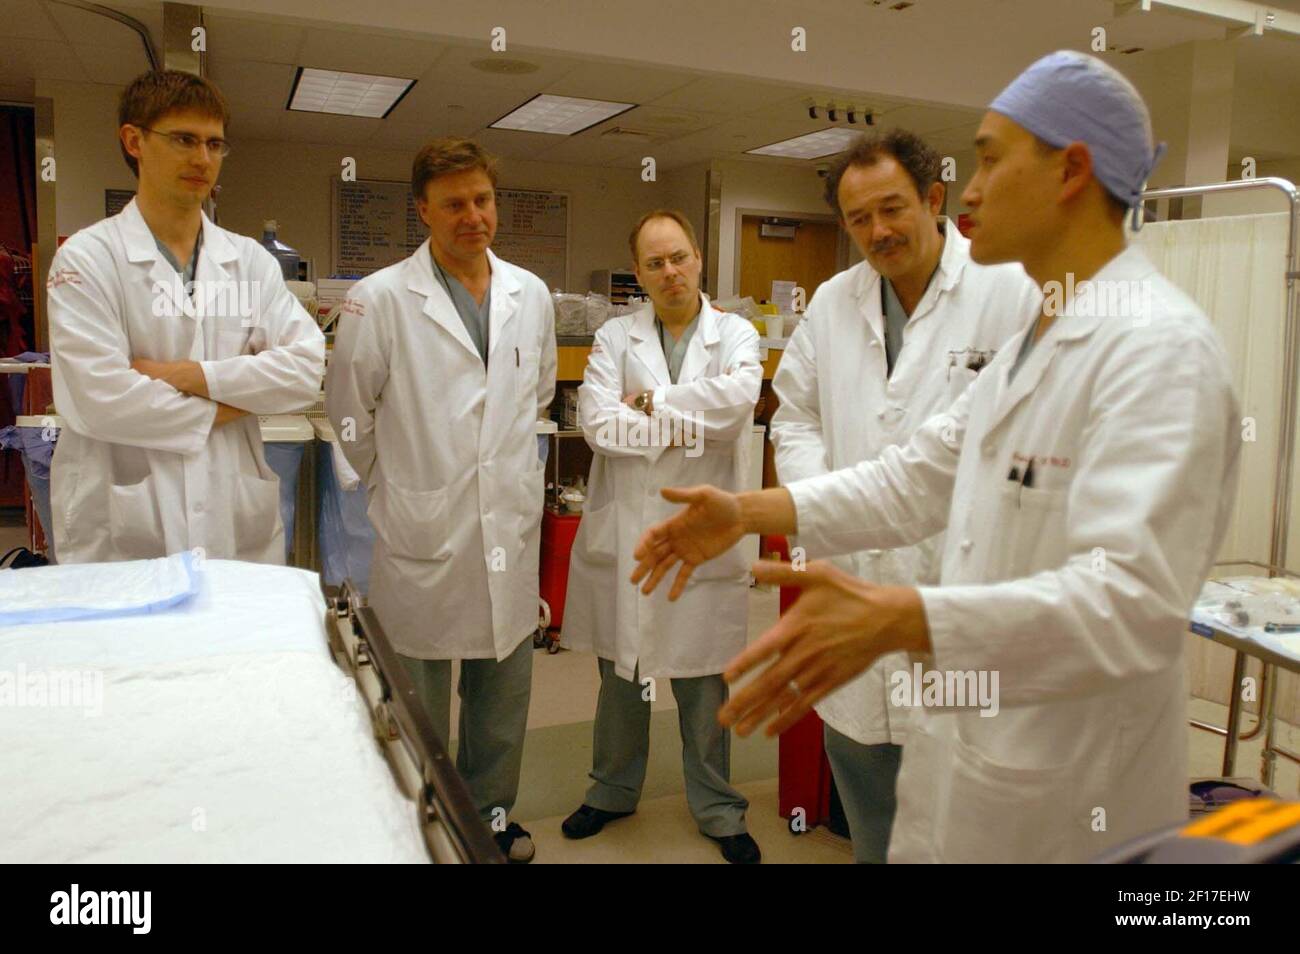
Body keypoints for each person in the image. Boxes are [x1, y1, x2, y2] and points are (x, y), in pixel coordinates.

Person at [631, 50, 1241, 863]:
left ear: (1072, 169)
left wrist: (905, 618)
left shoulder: (1158, 351)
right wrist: (749, 511)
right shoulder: (1041, 337)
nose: (973, 190)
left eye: (991, 159)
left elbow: (1131, 604)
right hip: (979, 756)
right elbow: (918, 475)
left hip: (1072, 790)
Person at [770, 128, 1039, 863]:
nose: (877, 231)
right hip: (854, 584)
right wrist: (820, 500)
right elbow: (795, 412)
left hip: (960, 593)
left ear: (934, 198)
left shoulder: (1006, 289)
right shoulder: (832, 303)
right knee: (867, 794)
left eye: (892, 209)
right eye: (859, 219)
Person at [326, 137, 556, 863]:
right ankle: (420, 825)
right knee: (417, 698)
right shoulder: (380, 299)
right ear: (422, 209)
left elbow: (538, 395)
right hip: (423, 526)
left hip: (507, 527)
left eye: (482, 199)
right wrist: (399, 488)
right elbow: (348, 416)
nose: (473, 216)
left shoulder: (532, 293)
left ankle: (491, 818)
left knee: (501, 696)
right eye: (454, 203)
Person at [48, 70, 325, 565]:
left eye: (215, 144)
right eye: (183, 140)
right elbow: (101, 401)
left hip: (232, 513)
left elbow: (305, 372)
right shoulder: (87, 259)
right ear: (133, 140)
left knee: (233, 641)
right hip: (121, 525)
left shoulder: (249, 261)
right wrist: (241, 398)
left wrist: (186, 376)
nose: (203, 159)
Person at [559, 210, 764, 863]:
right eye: (655, 263)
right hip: (628, 534)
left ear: (698, 258)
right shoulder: (616, 337)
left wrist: (648, 405)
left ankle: (719, 808)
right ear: (639, 275)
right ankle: (612, 790)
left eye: (678, 257)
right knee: (622, 676)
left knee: (704, 682)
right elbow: (598, 425)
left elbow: (736, 410)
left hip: (700, 533)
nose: (670, 272)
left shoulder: (735, 333)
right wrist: (685, 417)